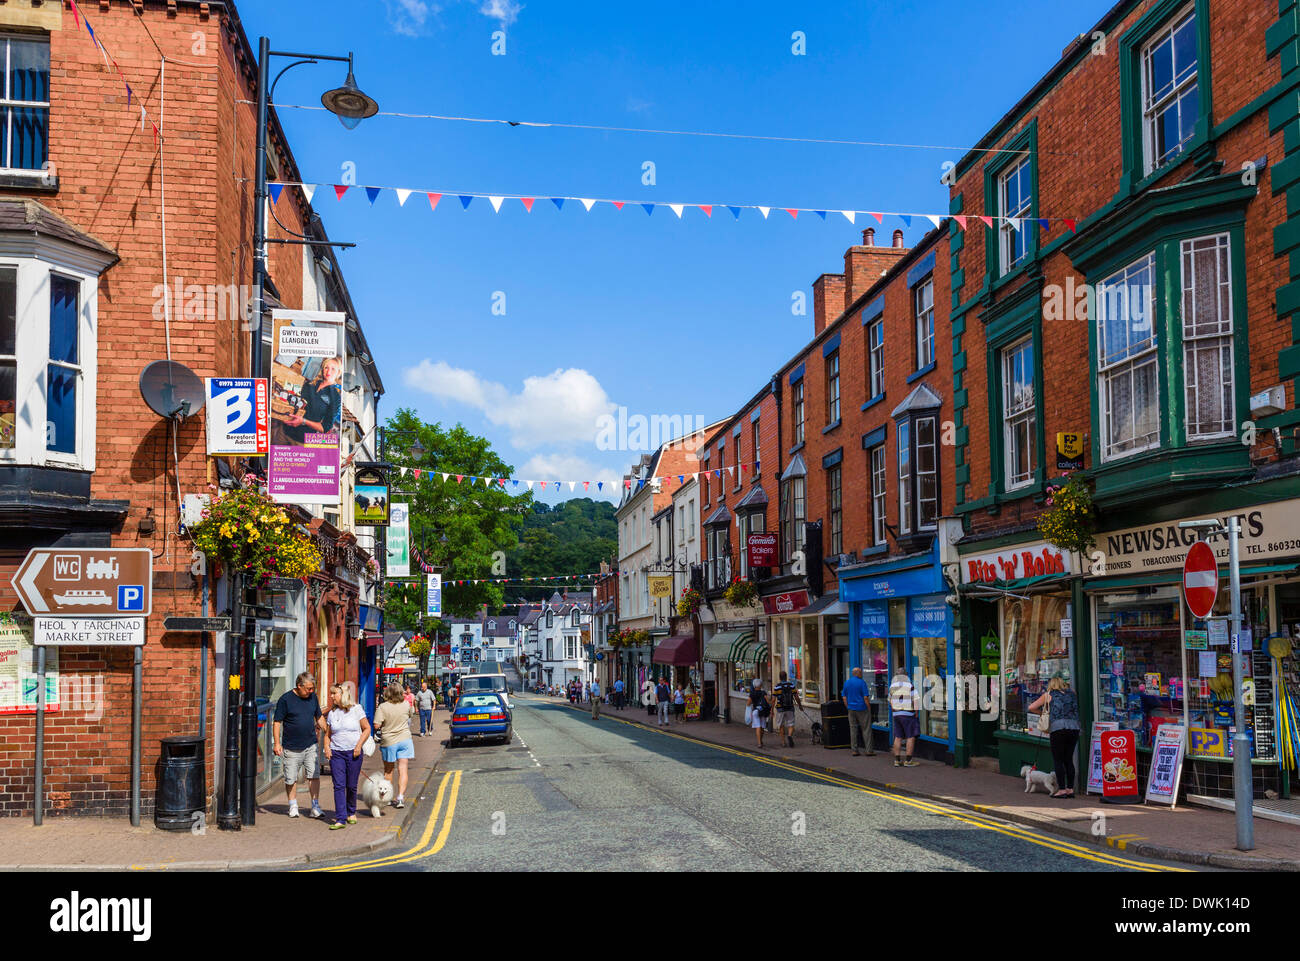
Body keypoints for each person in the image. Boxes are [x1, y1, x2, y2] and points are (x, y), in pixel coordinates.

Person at [272, 671, 324, 818]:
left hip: (311, 744)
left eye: (313, 688)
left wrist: (329, 732)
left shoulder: (313, 697)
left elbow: (318, 717)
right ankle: (293, 805)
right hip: (291, 746)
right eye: (308, 688)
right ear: (299, 686)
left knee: (314, 775)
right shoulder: (285, 699)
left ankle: (315, 806)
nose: (311, 691)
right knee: (291, 778)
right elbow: (277, 722)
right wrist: (277, 743)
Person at [323, 681, 371, 829]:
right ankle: (340, 818)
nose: (331, 696)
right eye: (331, 693)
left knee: (351, 785)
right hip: (337, 753)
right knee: (338, 785)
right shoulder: (332, 713)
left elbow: (367, 729)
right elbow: (328, 734)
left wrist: (358, 746)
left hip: (353, 753)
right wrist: (327, 747)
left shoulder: (357, 709)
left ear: (343, 694)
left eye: (334, 693)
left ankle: (351, 811)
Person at [1028, 676, 1082, 798]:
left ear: (1051, 684)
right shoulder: (1072, 693)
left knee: (1058, 760)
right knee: (1068, 759)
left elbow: (1031, 707)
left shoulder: (1048, 695)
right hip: (1074, 727)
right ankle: (1070, 789)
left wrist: (1044, 713)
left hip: (1058, 728)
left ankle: (1061, 790)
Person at [279, 354, 342, 445]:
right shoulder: (310, 385)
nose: (329, 371)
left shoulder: (335, 397)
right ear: (322, 369)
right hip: (284, 430)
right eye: (326, 367)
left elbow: (325, 428)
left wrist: (303, 421)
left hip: (301, 441)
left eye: (333, 369)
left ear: (338, 372)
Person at [375, 682, 416, 809]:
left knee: (388, 771)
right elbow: (411, 714)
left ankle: (387, 798)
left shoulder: (383, 707)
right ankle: (400, 798)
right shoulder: (406, 704)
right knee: (403, 770)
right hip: (405, 739)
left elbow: (376, 725)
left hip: (389, 741)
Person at [889, 670, 920, 767]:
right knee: (910, 736)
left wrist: (894, 709)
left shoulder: (892, 686)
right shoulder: (910, 685)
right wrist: (916, 712)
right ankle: (908, 761)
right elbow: (915, 700)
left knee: (898, 737)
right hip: (908, 714)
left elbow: (890, 700)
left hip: (896, 714)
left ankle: (897, 761)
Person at [842, 667, 876, 757]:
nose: (862, 674)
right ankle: (869, 750)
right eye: (861, 672)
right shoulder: (862, 682)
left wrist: (848, 707)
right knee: (866, 729)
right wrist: (869, 708)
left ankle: (854, 750)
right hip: (862, 708)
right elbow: (865, 697)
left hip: (851, 709)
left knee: (853, 729)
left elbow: (844, 697)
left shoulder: (847, 683)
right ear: (858, 673)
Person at [772, 671, 800, 747]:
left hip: (780, 708)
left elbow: (773, 699)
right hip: (790, 707)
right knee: (791, 724)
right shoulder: (791, 685)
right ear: (786, 676)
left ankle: (783, 742)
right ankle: (790, 735)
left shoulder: (777, 687)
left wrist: (771, 710)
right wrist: (800, 705)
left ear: (779, 677)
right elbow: (796, 697)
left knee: (781, 725)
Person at [748, 678, 771, 748]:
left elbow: (748, 703)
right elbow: (768, 702)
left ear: (754, 685)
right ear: (760, 685)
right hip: (763, 711)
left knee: (757, 726)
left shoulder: (752, 693)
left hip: (755, 711)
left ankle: (759, 743)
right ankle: (761, 740)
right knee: (762, 727)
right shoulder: (763, 692)